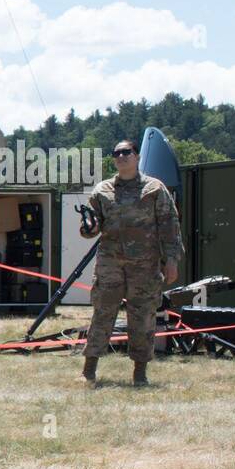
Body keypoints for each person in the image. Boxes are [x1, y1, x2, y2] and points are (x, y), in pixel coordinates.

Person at [81, 139, 183, 386]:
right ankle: (89, 370)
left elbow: (170, 226)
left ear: (137, 156)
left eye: (126, 152)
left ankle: (140, 373)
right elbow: (88, 228)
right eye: (116, 153)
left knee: (143, 317)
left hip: (145, 266)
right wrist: (88, 227)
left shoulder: (154, 189)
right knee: (102, 314)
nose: (121, 156)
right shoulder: (102, 190)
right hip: (110, 265)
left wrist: (171, 260)